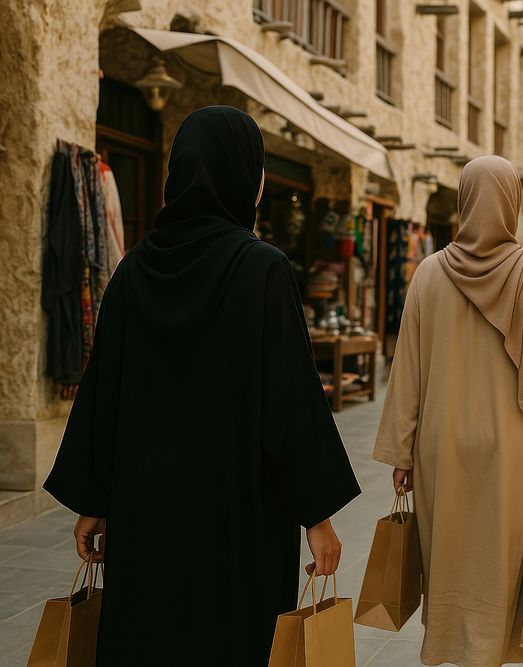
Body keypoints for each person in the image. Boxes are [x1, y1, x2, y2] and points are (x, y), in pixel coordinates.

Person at [44, 106, 361, 666]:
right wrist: (319, 518)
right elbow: (291, 402)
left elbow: (102, 394)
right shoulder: (262, 270)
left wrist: (94, 500)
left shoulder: (135, 269)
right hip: (238, 520)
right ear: (243, 177)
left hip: (147, 517)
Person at [374, 155, 523, 666]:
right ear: (510, 202)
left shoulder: (429, 274)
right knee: (503, 565)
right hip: (515, 455)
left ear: (464, 200)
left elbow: (406, 370)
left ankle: (451, 646)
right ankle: (493, 653)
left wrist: (401, 454)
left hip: (442, 448)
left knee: (449, 558)